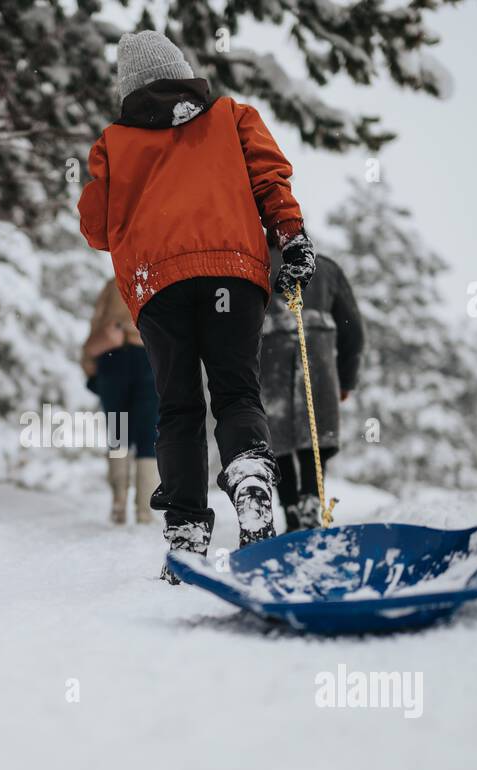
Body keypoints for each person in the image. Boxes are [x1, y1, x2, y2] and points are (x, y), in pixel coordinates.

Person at [77, 30, 315, 582]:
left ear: (128, 87)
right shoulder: (232, 117)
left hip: (159, 284)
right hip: (232, 271)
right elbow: (270, 179)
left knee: (178, 407)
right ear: (183, 71)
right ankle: (251, 472)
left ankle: (186, 534)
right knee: (236, 391)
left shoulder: (114, 142)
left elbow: (95, 228)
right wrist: (292, 236)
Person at [260, 247, 365, 530]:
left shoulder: (256, 264)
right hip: (317, 363)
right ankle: (310, 506)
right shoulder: (326, 268)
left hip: (269, 361)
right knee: (314, 435)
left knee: (277, 436)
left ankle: (291, 512)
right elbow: (352, 330)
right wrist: (345, 379)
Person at [81, 278, 160, 524]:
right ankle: (144, 511)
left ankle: (119, 503)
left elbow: (97, 320)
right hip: (148, 357)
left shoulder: (114, 282)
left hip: (112, 358)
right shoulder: (157, 276)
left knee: (118, 432)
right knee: (149, 435)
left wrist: (87, 361)